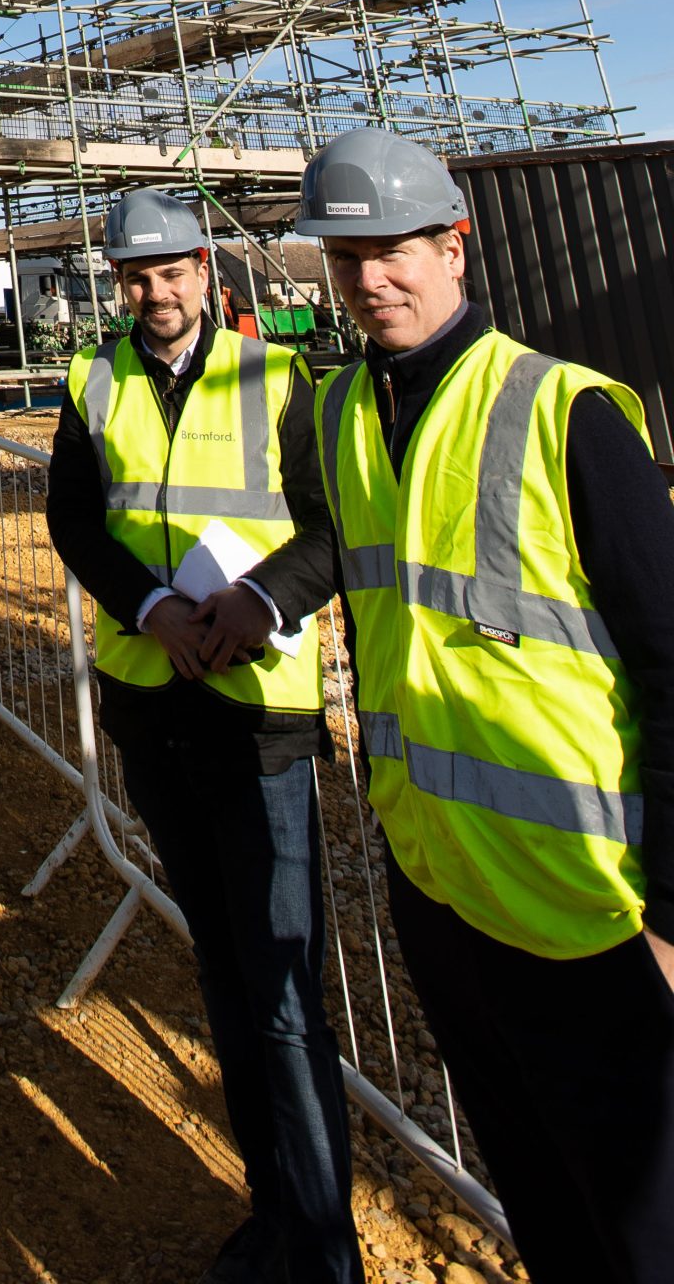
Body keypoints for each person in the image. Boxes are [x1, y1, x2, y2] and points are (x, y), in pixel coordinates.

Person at [298, 128, 674, 1284]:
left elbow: (669, 659)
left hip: (589, 905)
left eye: (396, 248)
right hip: (441, 881)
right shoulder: (340, 414)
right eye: (345, 255)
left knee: (644, 1225)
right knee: (540, 1193)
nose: (370, 279)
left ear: (455, 246)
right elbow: (367, 605)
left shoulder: (567, 413)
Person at [45, 189, 359, 1284]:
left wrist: (259, 604)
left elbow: (333, 528)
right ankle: (275, 1216)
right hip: (153, 699)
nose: (155, 291)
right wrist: (154, 609)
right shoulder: (94, 382)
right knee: (224, 975)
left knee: (280, 994)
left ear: (205, 270)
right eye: (136, 276)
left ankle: (325, 1249)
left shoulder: (278, 378)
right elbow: (75, 521)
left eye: (172, 270)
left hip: (258, 716)